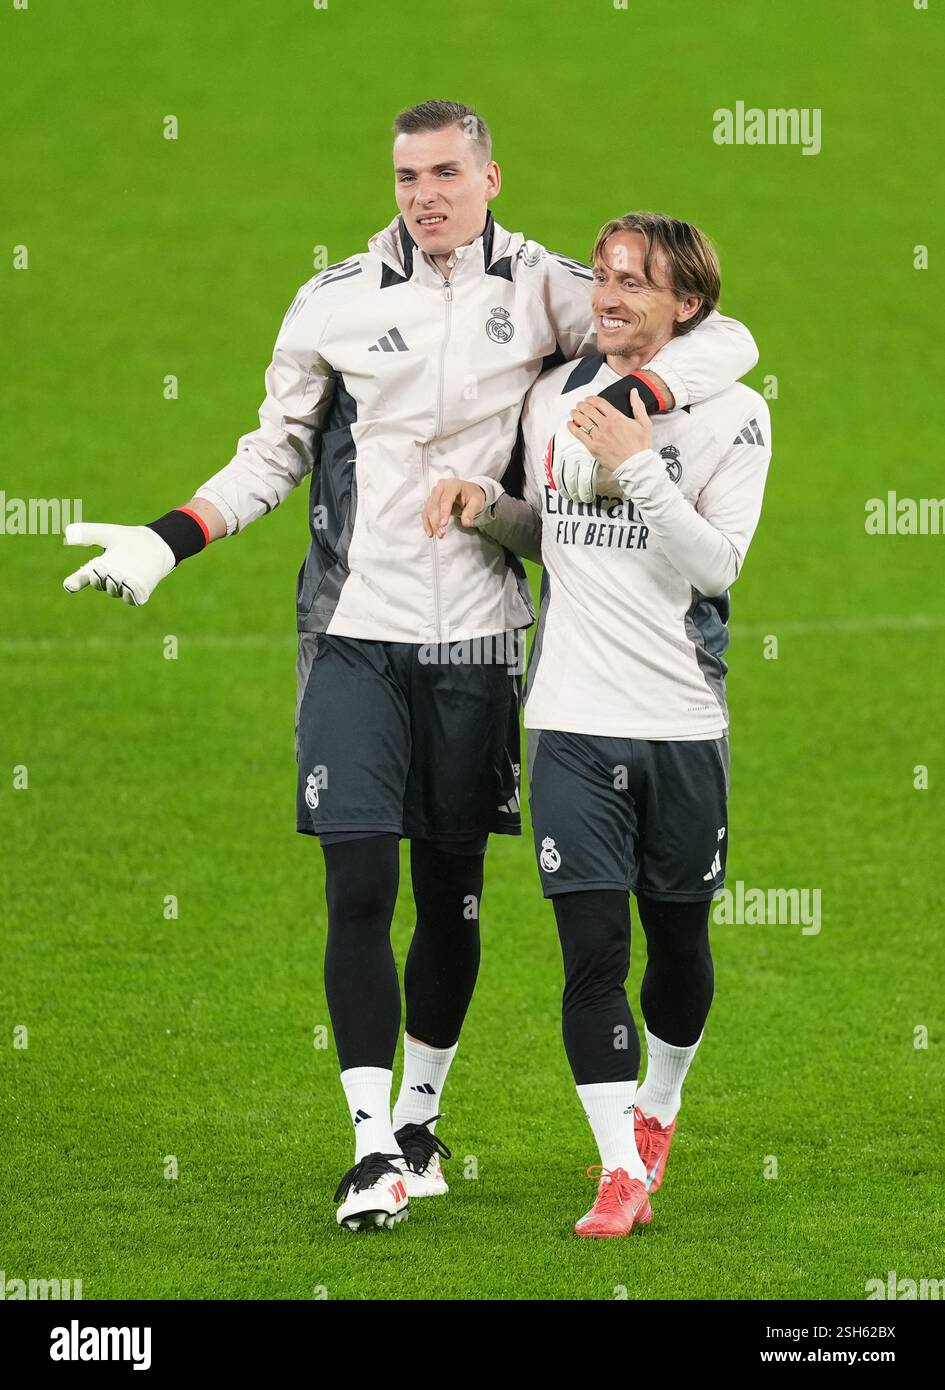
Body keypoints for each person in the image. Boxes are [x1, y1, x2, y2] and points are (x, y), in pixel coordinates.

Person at [61, 98, 759, 1232]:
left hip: (482, 639)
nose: (424, 195)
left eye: (445, 172)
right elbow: (275, 448)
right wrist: (170, 533)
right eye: (405, 177)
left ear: (491, 176)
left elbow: (715, 336)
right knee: (357, 880)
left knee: (451, 894)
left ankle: (424, 1123)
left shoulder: (545, 285)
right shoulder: (332, 300)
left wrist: (639, 394)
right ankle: (370, 1143)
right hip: (354, 627)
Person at [424, 211, 771, 1238]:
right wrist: (487, 505)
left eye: (635, 283)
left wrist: (638, 464)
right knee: (590, 950)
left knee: (679, 942)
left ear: (688, 306)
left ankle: (658, 1106)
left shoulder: (735, 415)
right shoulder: (555, 395)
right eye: (606, 277)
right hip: (570, 717)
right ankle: (620, 1169)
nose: (609, 297)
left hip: (678, 721)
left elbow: (717, 564)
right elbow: (554, 535)